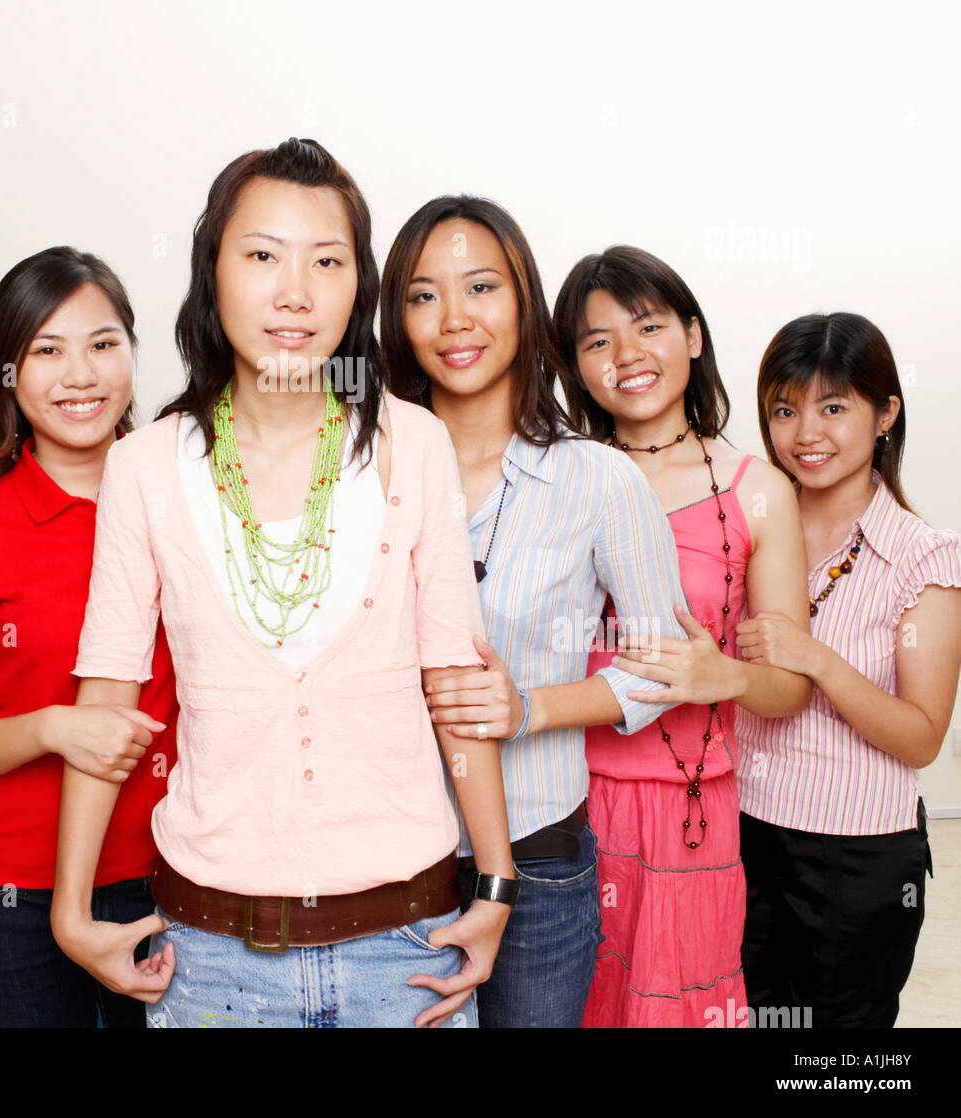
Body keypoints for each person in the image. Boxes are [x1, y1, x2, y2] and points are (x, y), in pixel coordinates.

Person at [53, 138, 515, 1029]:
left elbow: (453, 676)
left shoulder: (412, 443)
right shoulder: (145, 465)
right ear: (213, 273)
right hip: (212, 955)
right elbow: (105, 693)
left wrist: (493, 884)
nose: (294, 292)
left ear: (359, 286)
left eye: (327, 261)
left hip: (408, 945)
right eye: (262, 256)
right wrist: (72, 912)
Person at [380, 198, 708, 1029]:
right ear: (397, 320)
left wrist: (528, 710)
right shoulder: (362, 472)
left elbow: (661, 665)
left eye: (481, 287)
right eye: (423, 296)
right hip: (383, 848)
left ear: (523, 302)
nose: (455, 319)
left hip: (540, 853)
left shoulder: (598, 480)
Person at [0, 246, 177, 1029]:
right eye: (47, 352)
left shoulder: (191, 499)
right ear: (4, 372)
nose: (81, 376)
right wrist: (53, 729)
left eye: (102, 345)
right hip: (12, 888)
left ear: (133, 349)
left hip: (177, 869)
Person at [551, 244, 811, 1027]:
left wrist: (722, 676)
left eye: (649, 327)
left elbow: (791, 684)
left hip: (692, 813)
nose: (627, 356)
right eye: (598, 341)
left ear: (693, 337)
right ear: (575, 366)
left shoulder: (756, 490)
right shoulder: (558, 477)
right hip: (566, 800)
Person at [736, 312, 961, 1027]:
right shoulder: (749, 522)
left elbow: (923, 736)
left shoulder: (923, 556)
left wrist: (816, 662)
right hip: (737, 831)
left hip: (857, 860)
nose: (806, 433)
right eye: (785, 409)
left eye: (834, 407)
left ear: (886, 412)